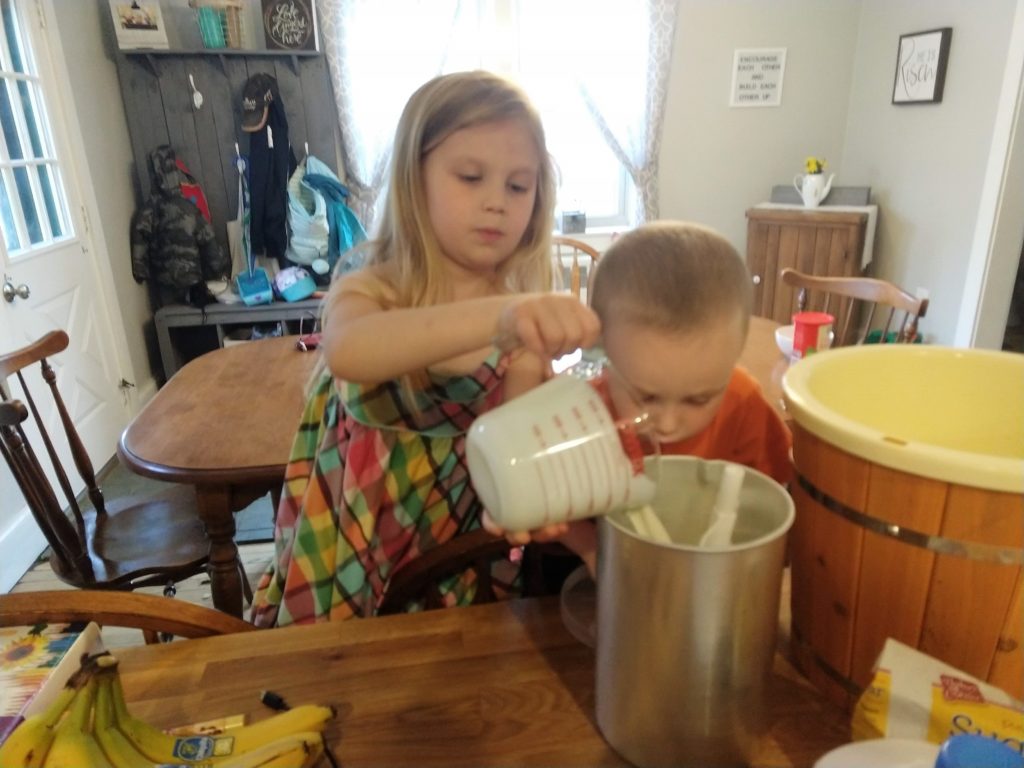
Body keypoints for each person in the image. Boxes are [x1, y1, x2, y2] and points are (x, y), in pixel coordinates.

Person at [250, 71, 599, 626]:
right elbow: (351, 351)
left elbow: (515, 460)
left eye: (518, 186)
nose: (496, 203)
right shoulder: (370, 286)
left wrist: (581, 533)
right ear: (416, 180)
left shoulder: (519, 336)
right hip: (346, 545)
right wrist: (501, 314)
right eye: (470, 176)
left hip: (448, 566)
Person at [485, 220, 792, 574]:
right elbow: (545, 503)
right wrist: (590, 546)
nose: (668, 423)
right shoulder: (582, 415)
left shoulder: (743, 402)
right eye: (645, 396)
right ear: (603, 353)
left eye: (698, 400)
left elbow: (774, 500)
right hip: (587, 563)